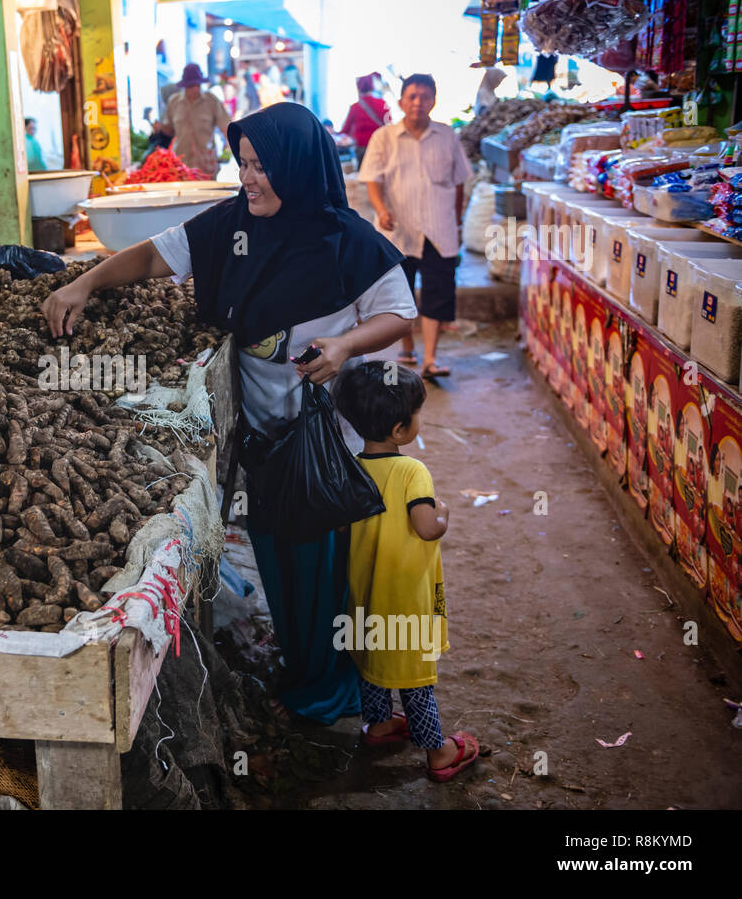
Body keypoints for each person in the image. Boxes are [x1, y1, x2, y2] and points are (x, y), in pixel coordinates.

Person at [41, 104, 416, 722]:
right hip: (261, 437)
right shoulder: (233, 226)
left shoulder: (348, 241)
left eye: (262, 167)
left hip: (321, 441)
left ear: (297, 169)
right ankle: (302, 672)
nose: (249, 178)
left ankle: (326, 694)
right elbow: (154, 255)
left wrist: (346, 345)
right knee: (277, 561)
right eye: (243, 164)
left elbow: (398, 314)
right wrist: (86, 283)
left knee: (318, 572)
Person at [333, 361, 480, 781]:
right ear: (400, 430)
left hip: (365, 595)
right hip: (405, 601)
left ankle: (378, 725)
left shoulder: (352, 468)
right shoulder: (412, 470)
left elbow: (343, 525)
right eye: (418, 413)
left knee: (373, 663)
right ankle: (439, 752)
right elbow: (426, 527)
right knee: (415, 681)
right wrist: (445, 514)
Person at [359, 73, 473, 380]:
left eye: (425, 96)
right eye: (412, 96)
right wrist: (381, 211)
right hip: (398, 232)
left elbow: (459, 181)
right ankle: (407, 348)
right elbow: (373, 180)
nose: (418, 102)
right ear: (401, 101)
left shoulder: (448, 136)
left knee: (438, 292)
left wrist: (457, 220)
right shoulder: (383, 138)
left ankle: (431, 359)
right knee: (401, 295)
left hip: (439, 229)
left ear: (434, 101)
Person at [155, 63, 230, 179]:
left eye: (197, 85)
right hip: (182, 165)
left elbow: (226, 127)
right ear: (185, 86)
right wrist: (159, 128)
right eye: (191, 86)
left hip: (207, 164)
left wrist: (228, 148)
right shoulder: (174, 102)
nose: (195, 89)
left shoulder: (211, 101)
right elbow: (168, 130)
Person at [341, 74, 390, 163]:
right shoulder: (382, 103)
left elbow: (345, 130)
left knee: (363, 175)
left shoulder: (355, 107)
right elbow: (389, 125)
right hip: (380, 146)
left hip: (362, 148)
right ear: (372, 85)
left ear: (358, 87)